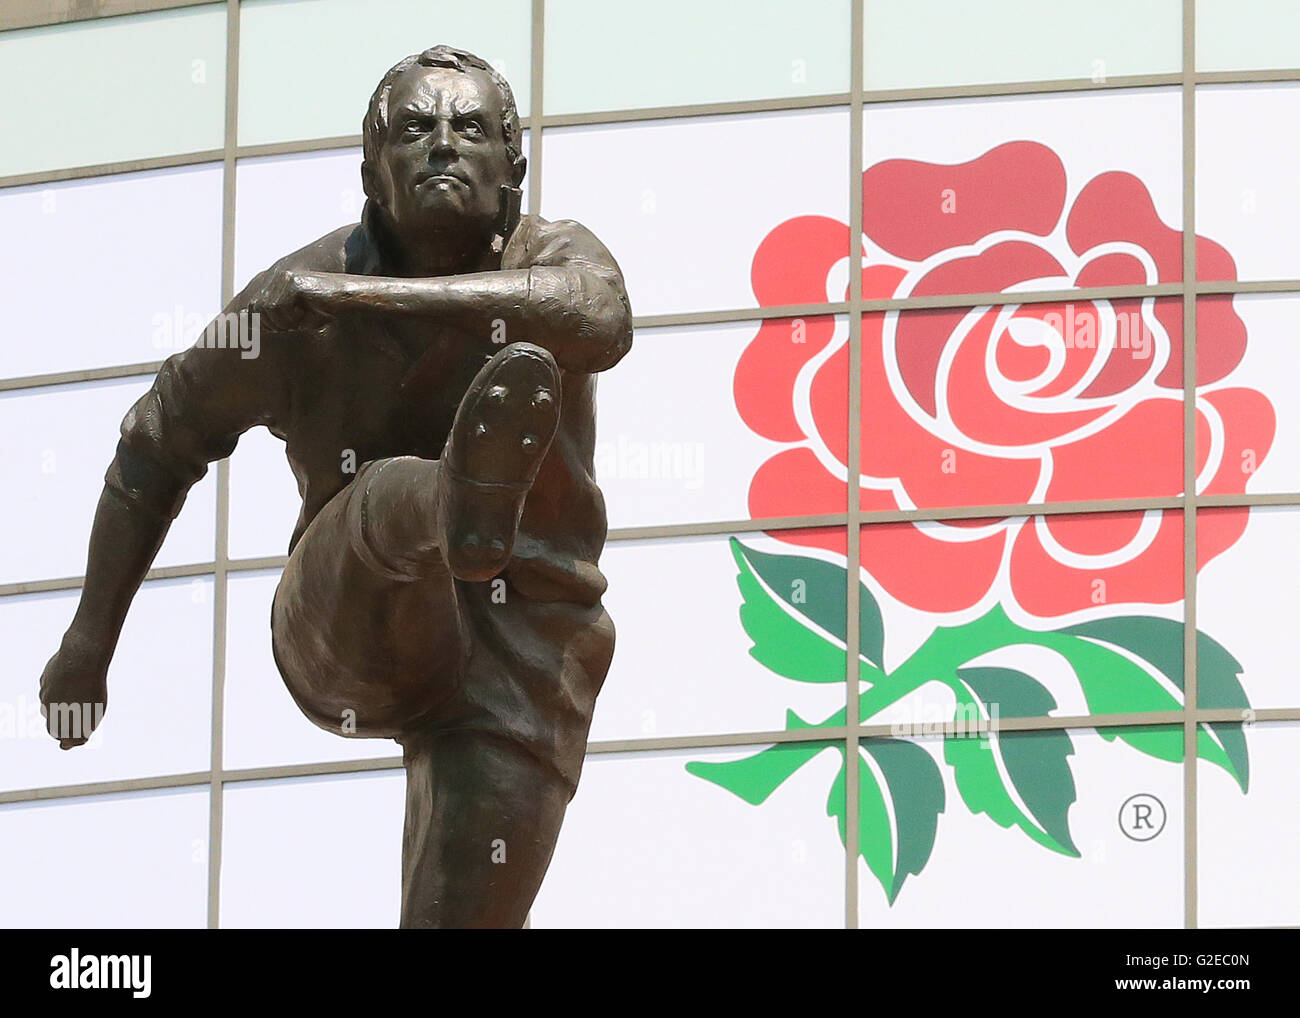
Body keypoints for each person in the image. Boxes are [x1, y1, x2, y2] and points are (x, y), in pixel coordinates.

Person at [37, 44, 632, 928]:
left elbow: (604, 320)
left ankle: (460, 507)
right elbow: (154, 447)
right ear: (371, 171)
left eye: (468, 128)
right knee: (389, 494)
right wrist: (88, 643)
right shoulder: (289, 306)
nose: (440, 145)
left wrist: (361, 301)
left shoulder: (550, 257)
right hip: (353, 621)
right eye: (414, 130)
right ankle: (451, 501)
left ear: (514, 164)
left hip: (523, 645)